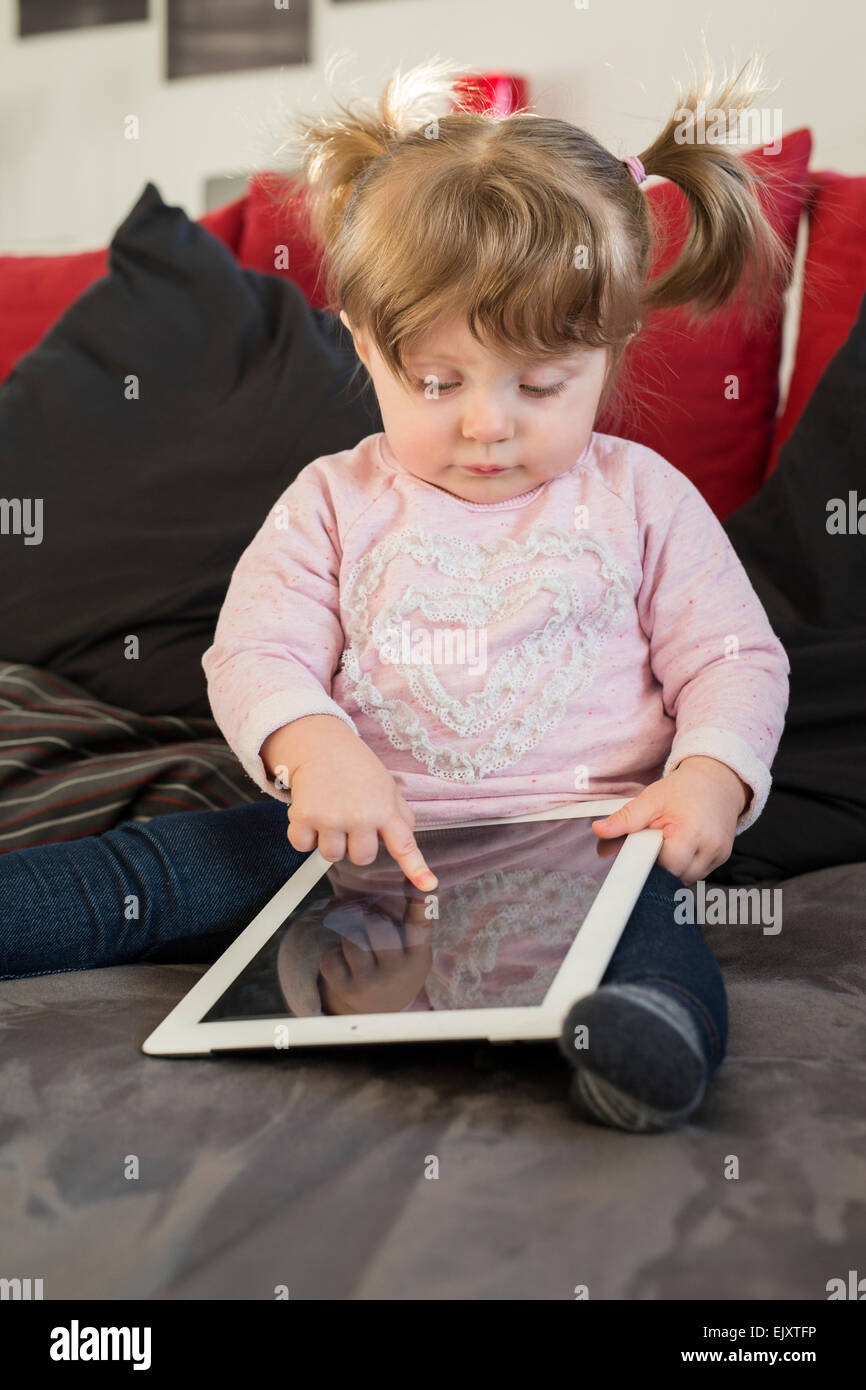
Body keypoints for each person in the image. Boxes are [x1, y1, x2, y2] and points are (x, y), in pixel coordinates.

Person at [1, 55, 790, 1134]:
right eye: (438, 380)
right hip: (346, 846)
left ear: (609, 353)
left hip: (586, 842)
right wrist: (312, 749)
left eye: (540, 383)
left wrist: (708, 776)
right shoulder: (332, 500)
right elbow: (254, 653)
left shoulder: (640, 498)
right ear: (366, 348)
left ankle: (642, 1036)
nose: (486, 424)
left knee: (652, 928)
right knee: (155, 866)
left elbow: (731, 659)